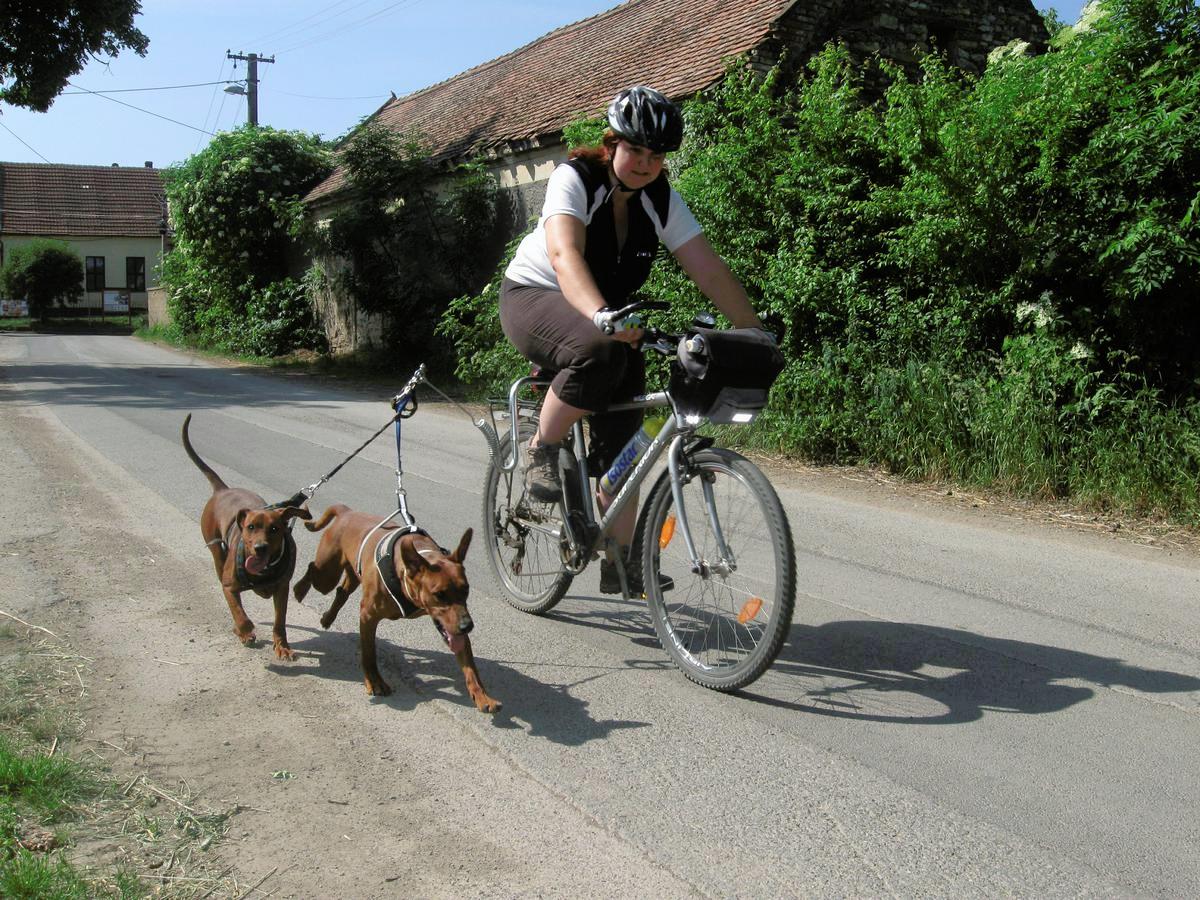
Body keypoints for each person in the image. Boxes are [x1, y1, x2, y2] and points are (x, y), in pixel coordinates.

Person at [499, 85, 763, 593]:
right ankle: (542, 446)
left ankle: (618, 561)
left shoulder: (661, 198)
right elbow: (564, 255)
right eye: (636, 149)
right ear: (612, 143)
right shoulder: (574, 179)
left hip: (610, 318)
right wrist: (601, 315)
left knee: (626, 447)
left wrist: (754, 332)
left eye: (657, 154)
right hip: (535, 296)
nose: (646, 163)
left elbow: (708, 269)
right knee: (596, 351)